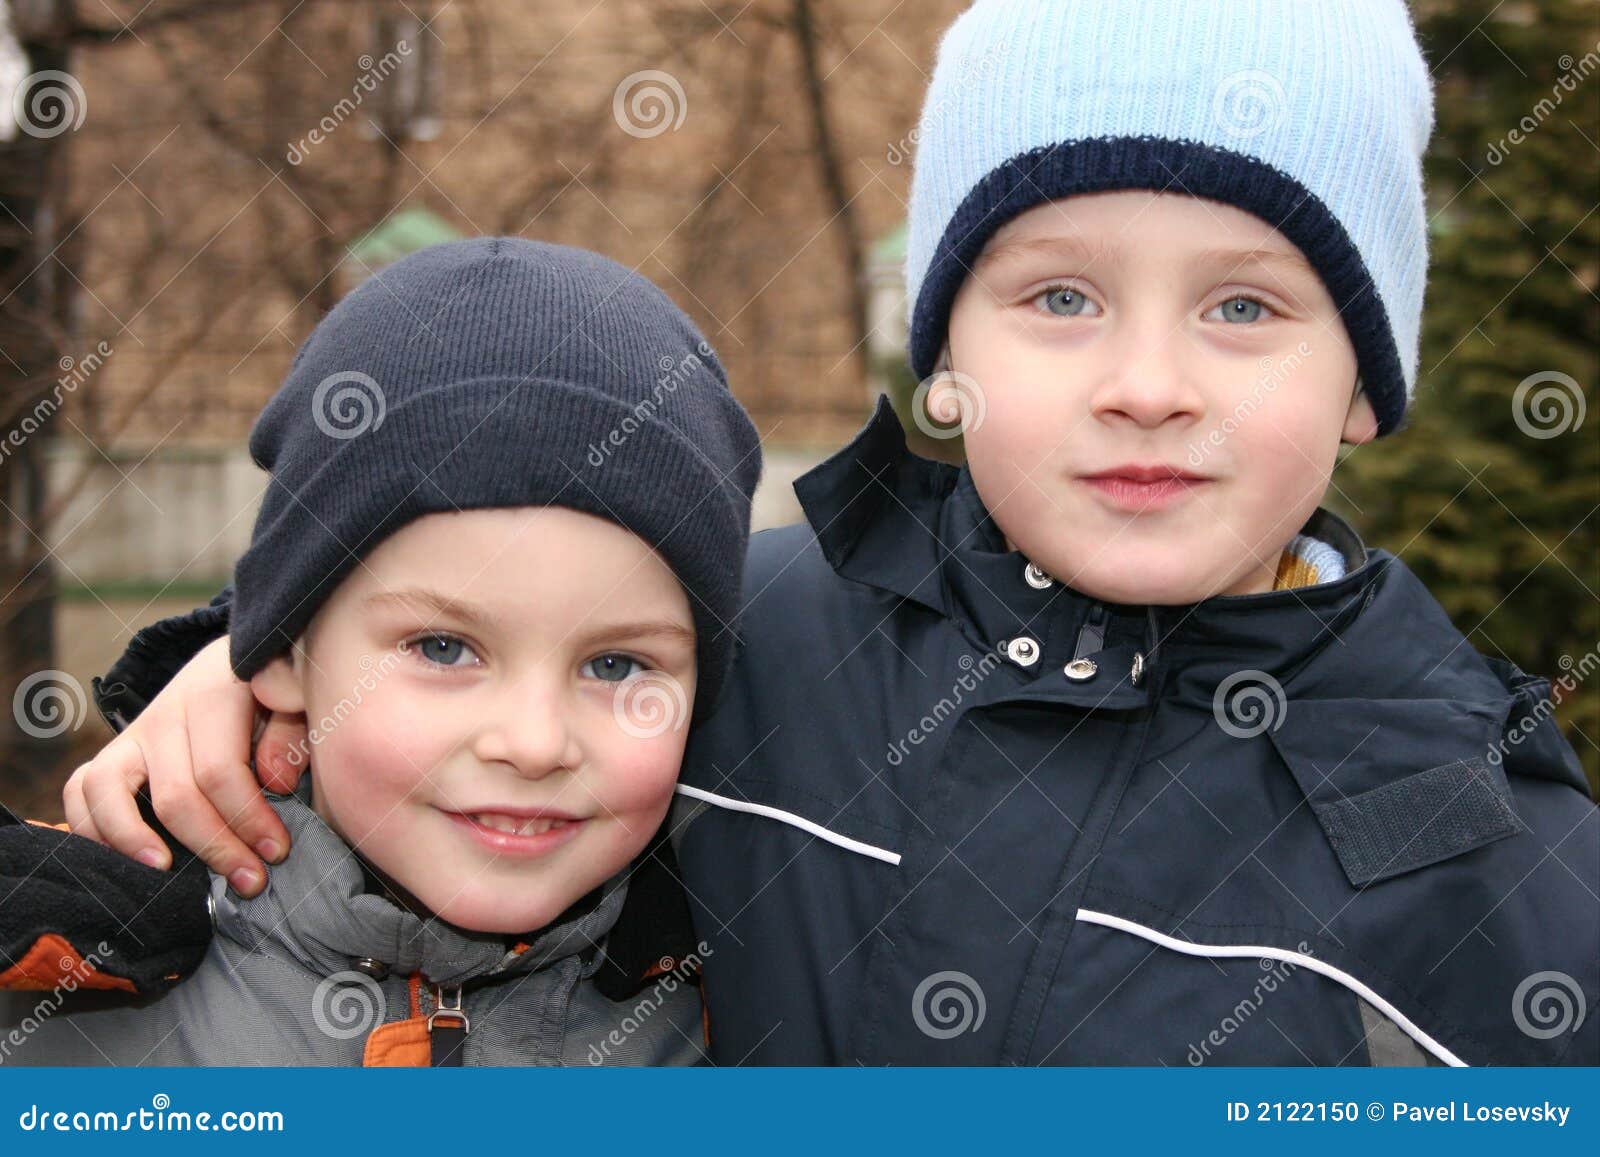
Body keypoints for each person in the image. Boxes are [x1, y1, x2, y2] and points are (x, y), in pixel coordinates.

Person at [60, 0, 1598, 1065]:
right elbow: (481, 604)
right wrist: (241, 665)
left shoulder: (1480, 843)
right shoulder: (761, 637)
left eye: (1245, 306)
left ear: (1365, 384)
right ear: (943, 345)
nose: (1145, 386)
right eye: (1059, 297)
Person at [2, 236, 761, 1065]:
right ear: (279, 651)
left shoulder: (751, 1001)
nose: (536, 742)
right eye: (443, 647)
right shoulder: (52, 981)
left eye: (616, 665)